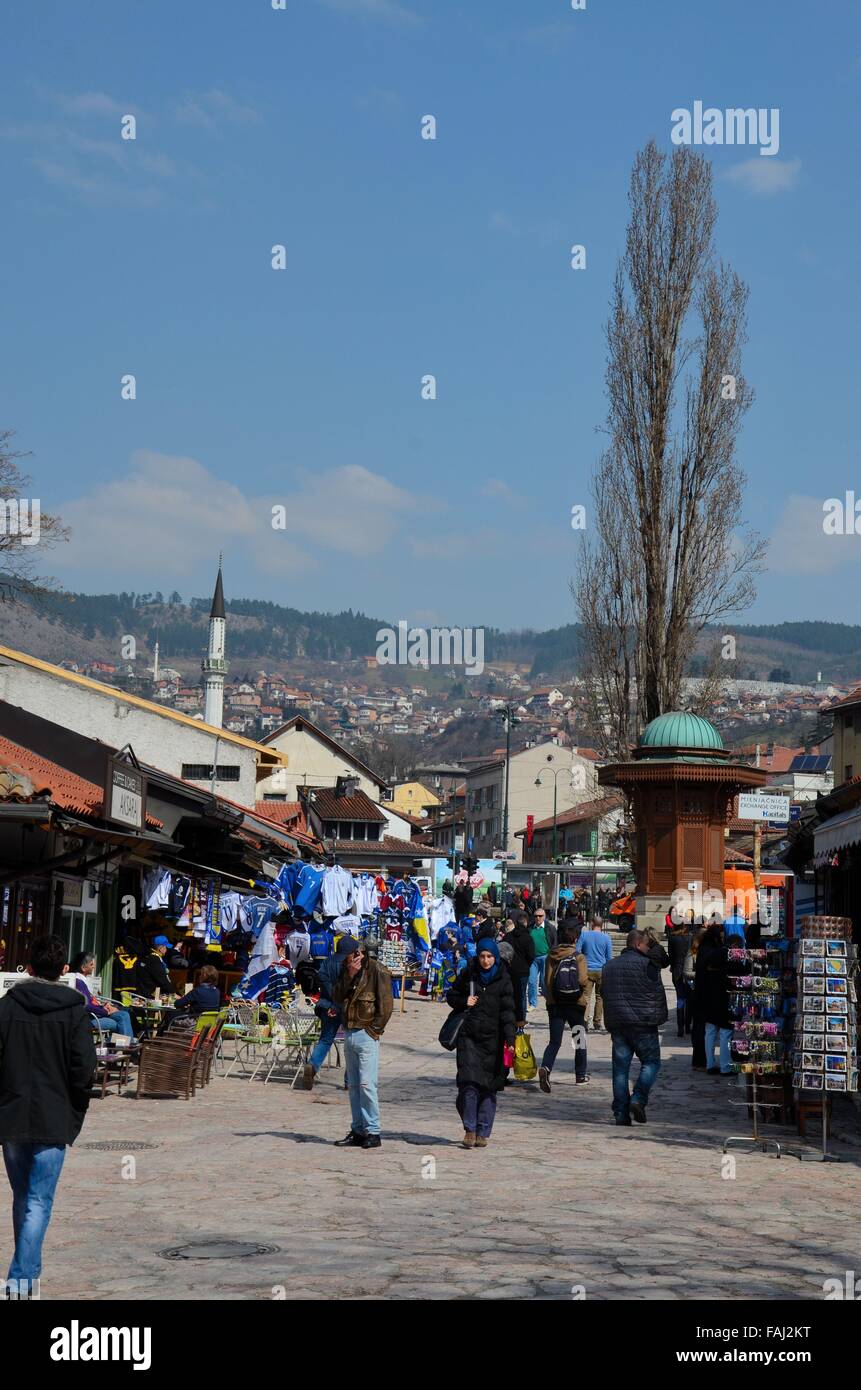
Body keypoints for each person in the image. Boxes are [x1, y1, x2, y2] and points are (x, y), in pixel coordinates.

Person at [0, 935, 96, 1299]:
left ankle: (28, 1275)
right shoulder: (74, 1012)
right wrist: (75, 1105)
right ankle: (21, 1281)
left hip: (12, 1115)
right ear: (64, 970)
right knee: (38, 1201)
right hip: (53, 1116)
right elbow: (83, 1068)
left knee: (23, 1198)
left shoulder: (6, 1008)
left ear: (30, 966)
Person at [446, 938, 515, 1148]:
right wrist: (463, 1001)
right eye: (482, 956)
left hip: (493, 1040)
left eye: (489, 956)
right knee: (468, 1084)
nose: (485, 961)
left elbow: (508, 1012)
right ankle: (470, 1129)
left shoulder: (504, 979)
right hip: (469, 1038)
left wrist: (510, 1039)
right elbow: (451, 995)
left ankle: (483, 1130)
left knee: (488, 1088)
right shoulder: (469, 973)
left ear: (495, 957)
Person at [601, 928, 669, 1126]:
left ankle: (621, 1113)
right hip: (643, 1023)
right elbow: (657, 993)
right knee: (651, 1062)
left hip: (619, 1024)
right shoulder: (648, 965)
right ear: (639, 944)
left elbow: (604, 993)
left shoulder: (609, 966)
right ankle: (638, 1098)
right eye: (647, 945)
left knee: (620, 1069)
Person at [330, 938, 393, 1149]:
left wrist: (373, 1031)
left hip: (366, 1034)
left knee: (367, 1084)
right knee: (354, 1086)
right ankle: (357, 1129)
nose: (346, 960)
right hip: (349, 1031)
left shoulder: (377, 971)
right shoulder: (345, 968)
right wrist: (349, 975)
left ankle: (373, 1131)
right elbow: (337, 996)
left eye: (348, 956)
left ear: (359, 953)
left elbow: (385, 1006)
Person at [538, 924, 590, 1092]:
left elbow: (546, 981)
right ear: (575, 939)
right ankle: (580, 1075)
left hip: (556, 1004)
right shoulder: (579, 957)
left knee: (554, 1041)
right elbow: (582, 980)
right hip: (575, 1004)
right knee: (579, 1040)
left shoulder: (551, 956)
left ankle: (546, 1067)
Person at [303, 935, 354, 1090]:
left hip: (327, 1005)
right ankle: (349, 1081)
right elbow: (348, 989)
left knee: (325, 1040)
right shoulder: (350, 965)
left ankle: (312, 1065)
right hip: (345, 1007)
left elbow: (324, 983)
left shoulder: (327, 962)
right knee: (350, 1044)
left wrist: (332, 1003)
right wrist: (338, 1005)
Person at [695, 923, 734, 1076]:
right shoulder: (723, 953)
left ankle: (710, 1064)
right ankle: (725, 1066)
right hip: (722, 997)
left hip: (706, 996)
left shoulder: (703, 951)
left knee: (710, 1031)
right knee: (725, 1032)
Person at [68, 952, 134, 1039]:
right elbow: (87, 1005)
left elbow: (90, 1002)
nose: (94, 967)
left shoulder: (81, 981)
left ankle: (121, 1045)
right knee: (123, 1018)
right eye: (91, 964)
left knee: (123, 1018)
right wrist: (105, 1011)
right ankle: (128, 1047)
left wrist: (103, 1006)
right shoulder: (78, 982)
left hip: (94, 1015)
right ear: (83, 968)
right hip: (88, 1020)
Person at [577, 916, 614, 1032]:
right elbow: (609, 957)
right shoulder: (606, 938)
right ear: (602, 925)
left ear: (592, 923)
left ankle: (584, 1021)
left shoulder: (584, 935)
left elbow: (577, 951)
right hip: (601, 970)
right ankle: (597, 1022)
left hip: (587, 969)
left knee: (586, 997)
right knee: (600, 997)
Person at [162, 964, 222, 1032]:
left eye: (201, 975)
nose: (199, 976)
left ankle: (164, 1038)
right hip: (209, 1024)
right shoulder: (217, 992)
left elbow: (177, 1004)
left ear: (203, 977)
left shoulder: (197, 991)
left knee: (169, 1014)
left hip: (194, 1023)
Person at [504, 913, 535, 1024]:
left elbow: (502, 951)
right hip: (522, 971)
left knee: (510, 994)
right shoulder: (528, 938)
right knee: (521, 995)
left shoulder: (508, 936)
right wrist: (527, 965)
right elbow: (531, 955)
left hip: (509, 969)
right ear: (526, 924)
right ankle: (521, 1019)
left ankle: (510, 1016)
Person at [666, 921, 694, 1039]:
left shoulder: (672, 938)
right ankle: (687, 1026)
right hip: (688, 968)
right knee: (689, 999)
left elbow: (671, 956)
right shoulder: (690, 937)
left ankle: (680, 1028)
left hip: (677, 970)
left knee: (680, 999)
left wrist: (673, 966)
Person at [685, 927, 707, 1069]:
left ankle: (704, 1058)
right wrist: (701, 974)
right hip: (695, 992)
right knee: (699, 1027)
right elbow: (687, 972)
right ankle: (698, 1059)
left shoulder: (707, 953)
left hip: (704, 992)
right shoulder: (692, 953)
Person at [527, 907, 555, 1010]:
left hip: (545, 957)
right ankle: (532, 1003)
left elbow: (554, 942)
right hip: (533, 959)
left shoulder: (550, 928)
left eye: (540, 916)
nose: (538, 918)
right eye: (536, 916)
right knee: (531, 981)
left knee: (544, 982)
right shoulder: (530, 928)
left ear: (544, 917)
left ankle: (549, 1001)